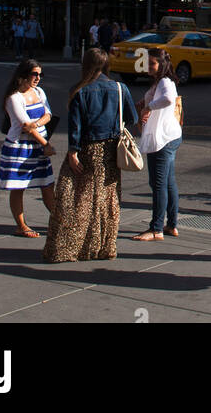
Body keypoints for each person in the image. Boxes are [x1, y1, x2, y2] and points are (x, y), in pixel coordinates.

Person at [43, 48, 138, 263]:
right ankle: (105, 247)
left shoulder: (80, 91)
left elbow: (75, 127)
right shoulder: (120, 88)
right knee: (108, 198)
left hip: (87, 148)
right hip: (112, 150)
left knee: (74, 197)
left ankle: (71, 247)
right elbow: (131, 117)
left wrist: (73, 152)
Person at [0, 59, 56, 237]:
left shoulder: (39, 92)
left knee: (47, 185)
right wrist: (45, 143)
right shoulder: (14, 97)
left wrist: (37, 124)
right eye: (34, 74)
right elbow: (25, 126)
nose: (38, 78)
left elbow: (48, 114)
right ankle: (21, 225)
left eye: (40, 74)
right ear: (22, 75)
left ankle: (59, 221)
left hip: (38, 147)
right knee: (19, 187)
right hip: (20, 148)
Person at [133, 48, 182, 241]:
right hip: (169, 137)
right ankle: (171, 225)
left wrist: (148, 106)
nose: (148, 66)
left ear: (161, 65)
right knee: (168, 183)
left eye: (152, 63)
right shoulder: (160, 82)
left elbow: (168, 99)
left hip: (163, 139)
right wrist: (144, 102)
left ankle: (156, 229)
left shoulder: (164, 82)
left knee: (158, 184)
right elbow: (160, 98)